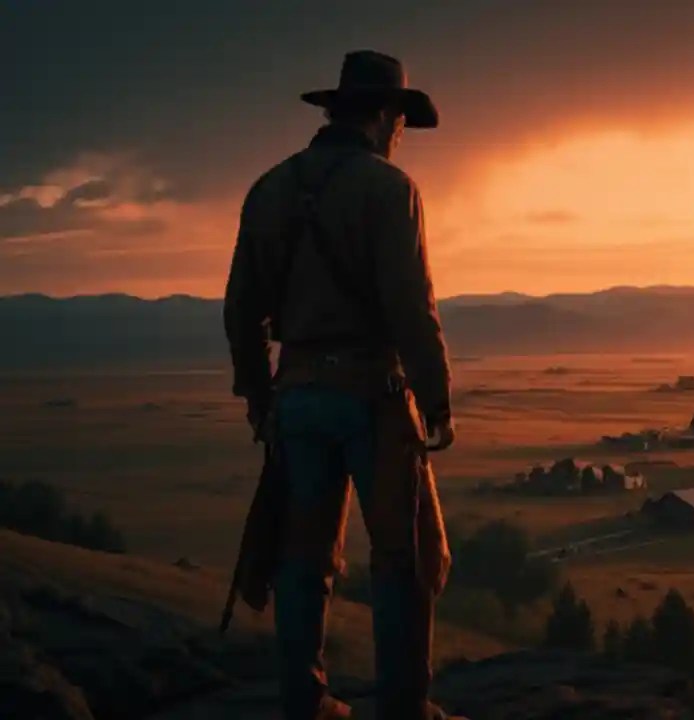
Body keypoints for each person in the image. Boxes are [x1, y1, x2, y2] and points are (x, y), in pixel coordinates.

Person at [223, 50, 455, 720]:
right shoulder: (390, 189)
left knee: (303, 559)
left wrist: (259, 397)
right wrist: (435, 398)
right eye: (400, 121)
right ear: (385, 116)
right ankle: (404, 707)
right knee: (400, 558)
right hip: (373, 395)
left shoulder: (268, 189)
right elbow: (412, 306)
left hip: (295, 395)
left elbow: (241, 308)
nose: (400, 134)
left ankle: (306, 700)